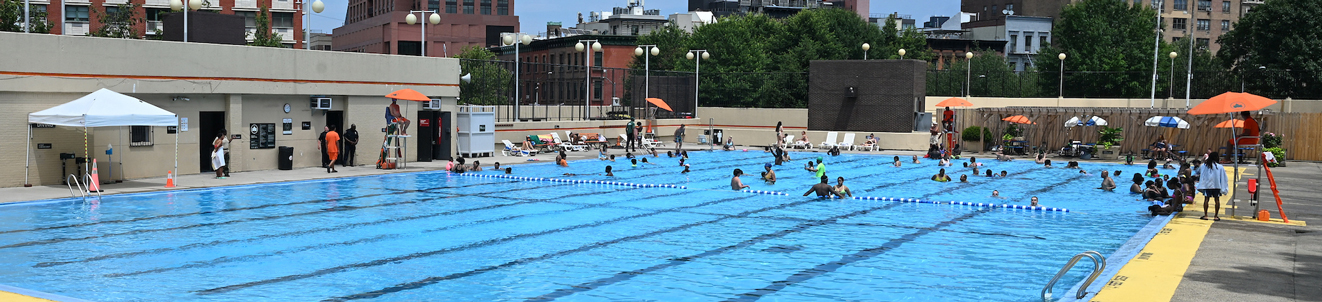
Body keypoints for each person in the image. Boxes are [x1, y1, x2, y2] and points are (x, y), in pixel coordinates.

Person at [1195, 151, 1229, 221]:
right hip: (1217, 185)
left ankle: (1206, 215)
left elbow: (1198, 171)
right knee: (1217, 200)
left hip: (1207, 185)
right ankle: (1216, 216)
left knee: (1206, 199)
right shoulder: (1219, 167)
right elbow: (1223, 177)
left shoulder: (1204, 166)